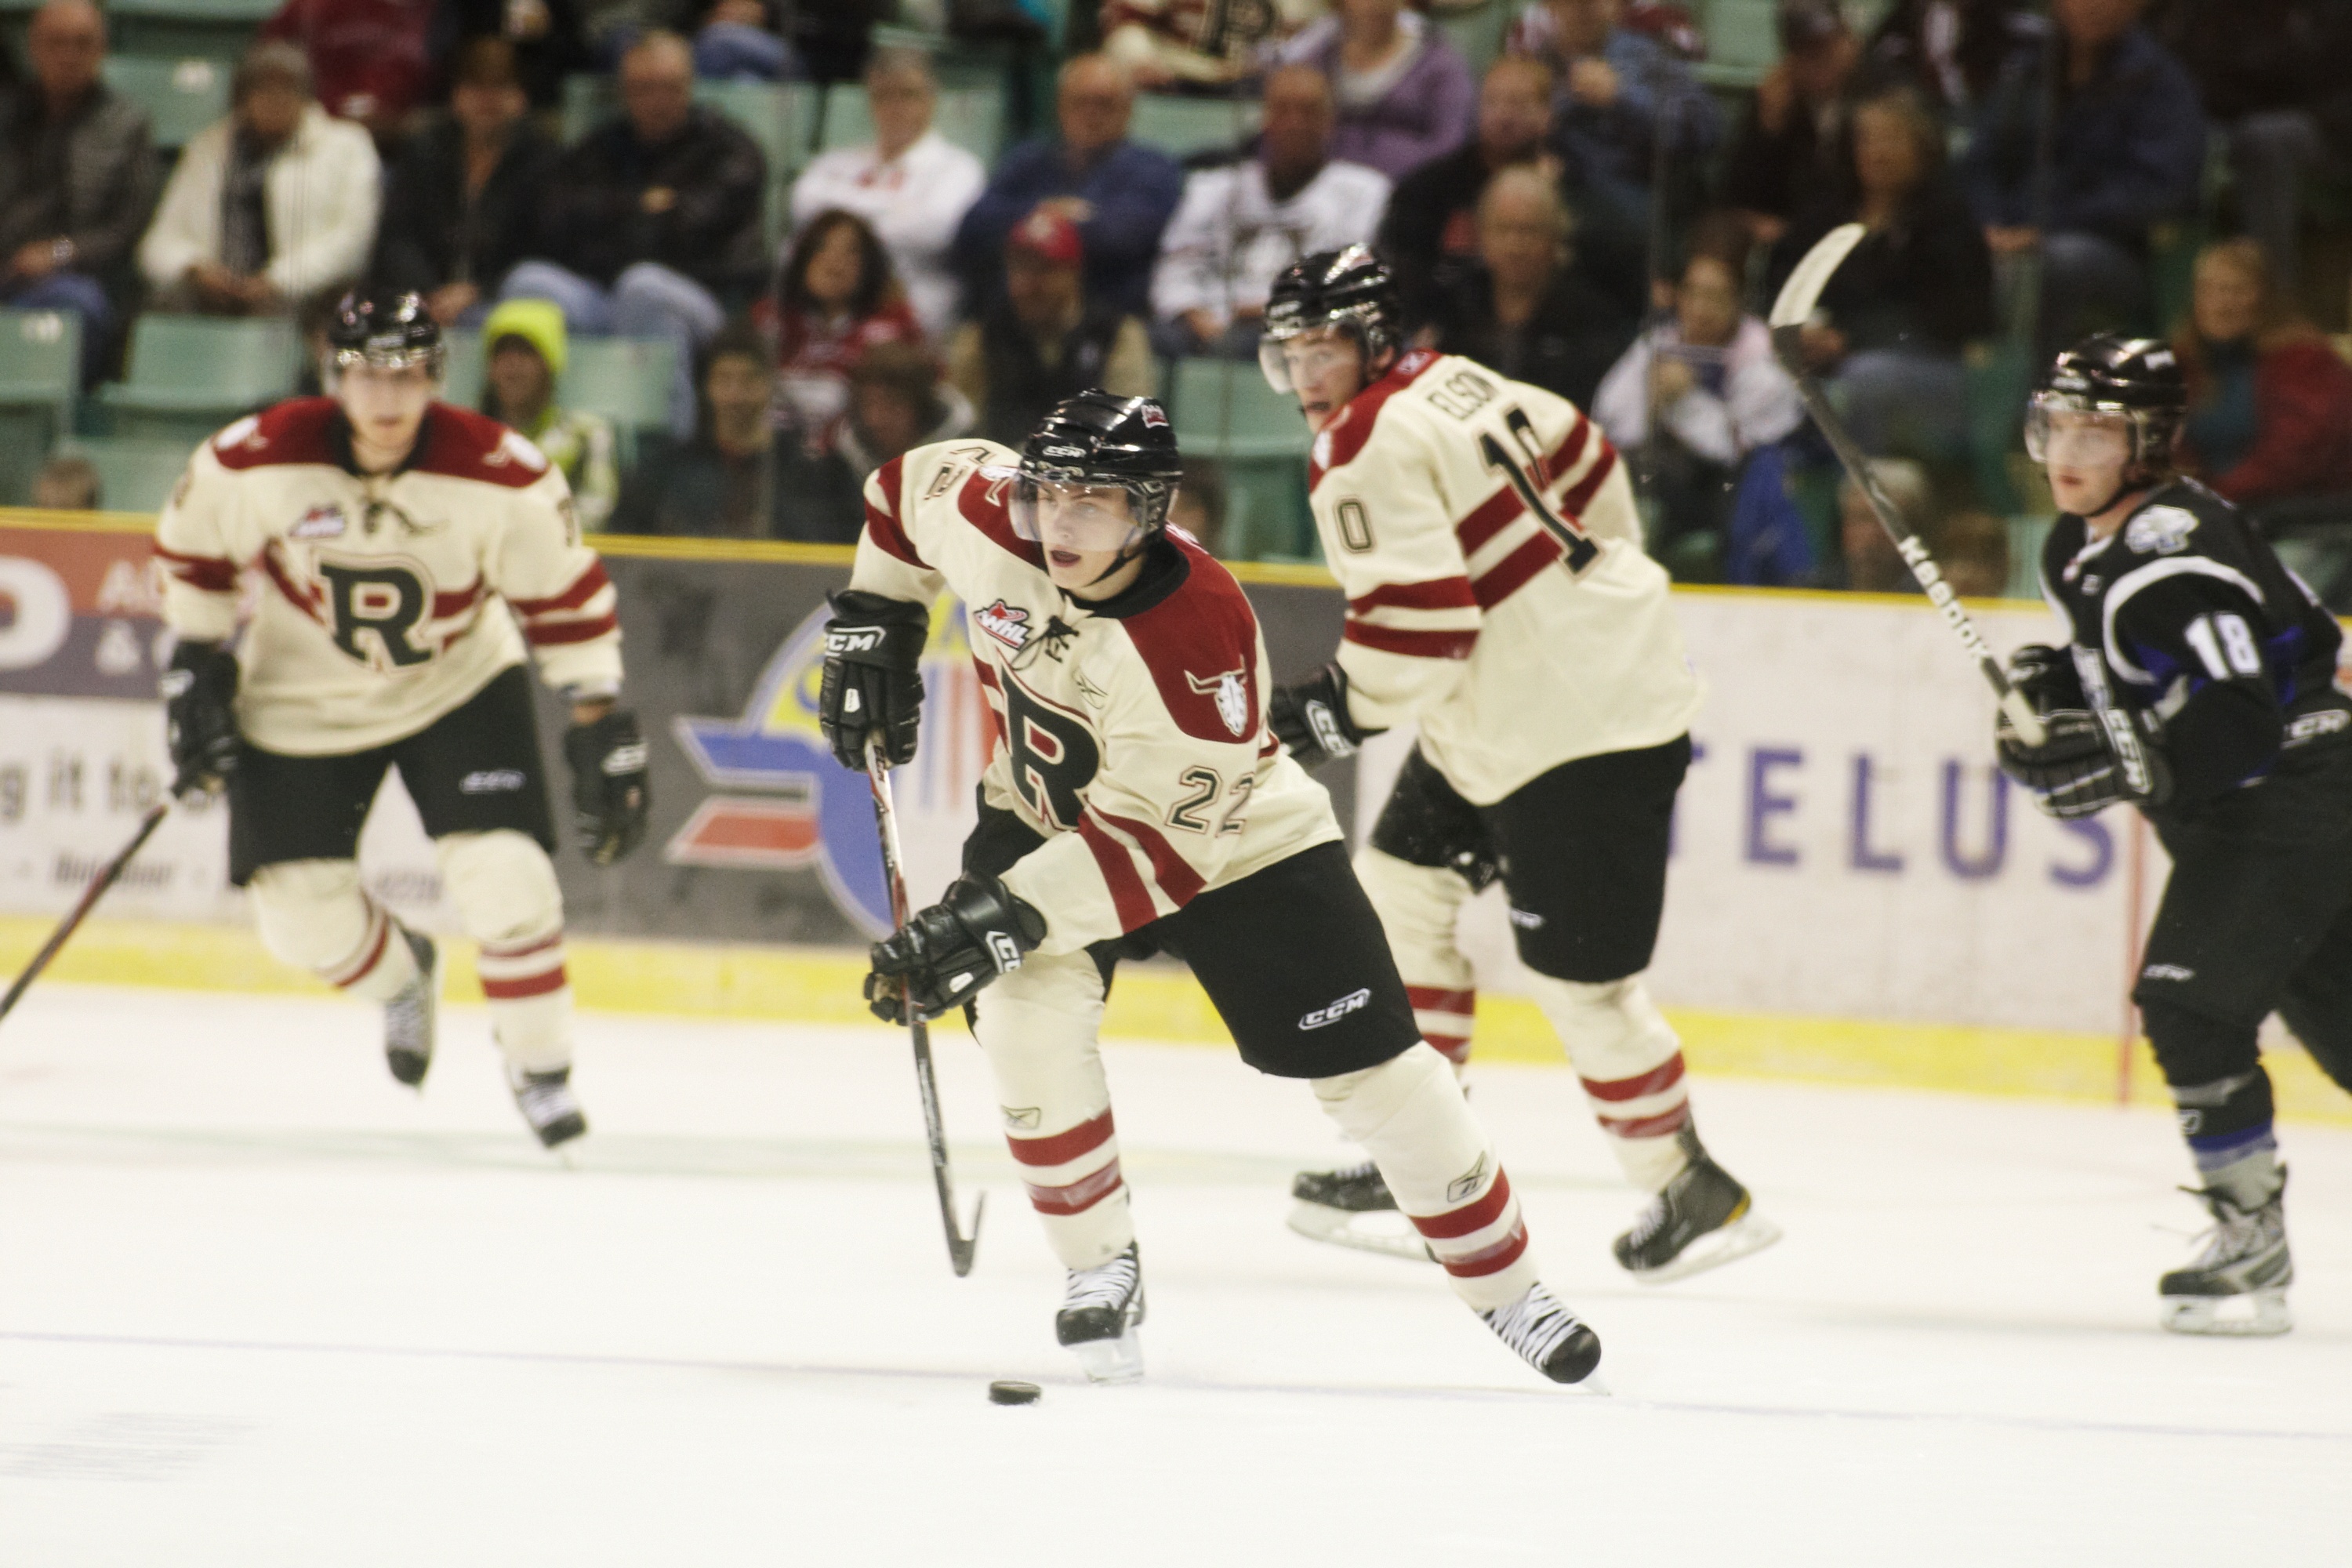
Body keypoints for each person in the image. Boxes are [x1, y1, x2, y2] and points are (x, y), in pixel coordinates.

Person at [819, 388, 1605, 1387]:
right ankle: (1098, 1266)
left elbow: (1156, 853)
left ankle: (1513, 1290)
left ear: (1149, 513)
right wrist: (877, 611)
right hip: (1044, 813)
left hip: (1235, 845)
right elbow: (897, 494)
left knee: (1378, 1072)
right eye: (1048, 493)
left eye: (1094, 502)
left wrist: (995, 915)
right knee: (1023, 1019)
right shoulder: (991, 513)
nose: (1059, 521)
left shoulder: (1196, 631)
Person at [1257, 247, 1776, 1281]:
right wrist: (1590, 599)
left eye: (1325, 349)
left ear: (1372, 341)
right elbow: (1589, 460)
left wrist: (1328, 714)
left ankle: (1687, 1188)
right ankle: (1428, 1162)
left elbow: (1421, 630)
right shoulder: (1456, 376)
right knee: (1400, 887)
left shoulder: (1358, 447)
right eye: (1291, 354)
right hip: (1512, 714)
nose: (1309, 376)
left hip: (1577, 733)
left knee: (1582, 983)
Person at [151, 292, 651, 1149]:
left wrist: (598, 717)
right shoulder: (255, 458)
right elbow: (193, 554)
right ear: (333, 374)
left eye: (408, 375)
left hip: (457, 682)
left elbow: (565, 596)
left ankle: (540, 1065)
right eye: (367, 375)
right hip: (298, 692)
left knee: (507, 875)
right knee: (298, 917)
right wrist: (195, 664)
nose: (387, 399)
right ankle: (403, 975)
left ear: (436, 377)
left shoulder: (503, 471)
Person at [1992, 333, 2352, 1335]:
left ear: (2147, 444)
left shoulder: (2170, 553)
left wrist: (2128, 761)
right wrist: (2062, 685)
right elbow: (2143, 672)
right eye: (2059, 422)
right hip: (2289, 795)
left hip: (2291, 789)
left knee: (2188, 1006)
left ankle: (2252, 1247)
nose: (2069, 447)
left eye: (2097, 429)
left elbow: (2237, 709)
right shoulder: (2087, 540)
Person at [502, 31, 767, 440]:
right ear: (624, 91)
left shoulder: (728, 147)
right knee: (530, 281)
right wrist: (640, 206)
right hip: (606, 292)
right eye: (642, 88)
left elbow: (685, 231)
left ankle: (661, 447)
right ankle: (556, 441)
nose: (655, 100)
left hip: (703, 302)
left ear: (689, 86)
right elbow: (556, 217)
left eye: (667, 87)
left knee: (643, 286)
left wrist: (610, 218)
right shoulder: (601, 147)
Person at [1959, 0, 2205, 354]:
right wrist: (1990, 221)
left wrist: (2045, 227)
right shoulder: (2028, 71)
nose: (2094, 6)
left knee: (2059, 263)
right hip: (2010, 234)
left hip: (2111, 250)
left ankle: (2033, 397)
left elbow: (2161, 190)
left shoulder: (2157, 81)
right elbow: (1981, 161)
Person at [1767, 85, 1995, 462]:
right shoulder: (1831, 211)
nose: (1876, 152)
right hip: (1826, 354)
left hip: (1926, 364)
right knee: (1761, 376)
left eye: (1891, 139)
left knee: (1864, 378)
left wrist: (1849, 340)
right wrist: (1802, 331)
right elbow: (1786, 273)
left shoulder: (1948, 219)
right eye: (1866, 140)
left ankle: (1862, 499)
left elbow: (1952, 317)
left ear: (1923, 148)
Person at [1378, 56, 1647, 332]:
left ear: (1548, 115)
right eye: (1493, 102)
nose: (1504, 116)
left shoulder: (1579, 192)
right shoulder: (1428, 189)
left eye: (1519, 104)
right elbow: (1401, 272)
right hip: (1451, 329)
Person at [1149, 65, 1390, 360]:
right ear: (1266, 117)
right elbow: (1176, 267)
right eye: (1283, 110)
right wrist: (1191, 313)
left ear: (1330, 120)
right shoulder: (1215, 186)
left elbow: (1344, 283)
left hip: (1299, 330)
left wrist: (1270, 312)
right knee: (1146, 340)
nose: (1294, 122)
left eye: (1308, 111)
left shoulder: (1363, 191)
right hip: (1207, 323)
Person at [1593, 245, 1805, 578]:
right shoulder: (1658, 343)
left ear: (1739, 301)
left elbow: (1734, 450)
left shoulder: (1761, 355)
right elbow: (1611, 419)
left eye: (1715, 296)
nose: (1701, 308)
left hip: (1725, 493)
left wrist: (1685, 400)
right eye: (1693, 294)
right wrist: (1651, 400)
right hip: (1659, 476)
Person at [138, 42, 382, 318]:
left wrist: (277, 281)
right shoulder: (208, 148)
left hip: (303, 296)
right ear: (242, 97)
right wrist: (195, 269)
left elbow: (351, 242)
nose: (275, 99)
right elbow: (159, 242)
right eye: (263, 88)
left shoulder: (347, 146)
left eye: (287, 88)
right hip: (213, 292)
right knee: (164, 302)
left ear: (307, 95)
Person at [952, 54, 1185, 321]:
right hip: (1010, 322)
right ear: (1060, 106)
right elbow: (973, 227)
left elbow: (1119, 238)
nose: (1091, 114)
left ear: (1128, 109)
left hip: (1104, 321)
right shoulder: (1028, 159)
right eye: (1080, 102)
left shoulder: (1154, 168)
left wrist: (1029, 227)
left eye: (1104, 104)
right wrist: (1045, 210)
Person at [0, 1, 157, 376]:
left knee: (78, 302)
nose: (68, 56)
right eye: (56, 43)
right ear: (34, 48)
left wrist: (59, 253)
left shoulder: (126, 124)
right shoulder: (6, 117)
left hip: (77, 281)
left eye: (82, 43)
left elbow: (128, 227)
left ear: (102, 50)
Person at [788, 48, 985, 339]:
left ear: (931, 99)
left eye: (908, 95)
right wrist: (895, 208)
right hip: (824, 311)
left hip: (912, 311)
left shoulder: (957, 167)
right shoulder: (838, 162)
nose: (896, 107)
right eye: (883, 96)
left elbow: (935, 229)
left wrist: (844, 213)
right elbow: (802, 207)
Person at [370, 38, 557, 326]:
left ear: (521, 98)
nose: (487, 101)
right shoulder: (425, 151)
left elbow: (542, 246)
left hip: (503, 303)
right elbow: (398, 237)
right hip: (422, 296)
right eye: (476, 89)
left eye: (499, 88)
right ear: (456, 96)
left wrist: (479, 291)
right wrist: (431, 292)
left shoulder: (544, 160)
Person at [617, 321, 864, 540]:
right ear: (706, 387)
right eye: (724, 380)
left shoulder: (813, 474)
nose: (735, 396)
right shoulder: (665, 472)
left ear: (770, 384)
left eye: (749, 380)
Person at [1420, 164, 1635, 411]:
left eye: (1529, 230)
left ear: (1556, 237)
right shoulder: (1452, 304)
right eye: (1503, 229)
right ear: (1482, 235)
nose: (1515, 245)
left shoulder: (1592, 320)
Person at [949, 207, 1153, 448]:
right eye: (1017, 269)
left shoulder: (1116, 334)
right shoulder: (982, 336)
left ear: (1072, 273)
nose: (1025, 286)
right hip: (999, 473)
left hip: (1085, 474)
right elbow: (960, 424)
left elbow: (1126, 428)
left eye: (1041, 271)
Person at [2174, 238, 2352, 511]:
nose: (2222, 304)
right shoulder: (2184, 359)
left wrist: (2217, 498)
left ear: (2266, 298)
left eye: (2236, 291)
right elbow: (2172, 445)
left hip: (2299, 512)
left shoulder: (2306, 360)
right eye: (2209, 290)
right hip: (2215, 509)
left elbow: (2295, 456)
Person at [1504, 0, 1720, 201]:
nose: (1583, 9)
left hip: (1635, 198)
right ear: (1549, 5)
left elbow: (1704, 131)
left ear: (1617, 6)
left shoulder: (1649, 56)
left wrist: (1623, 98)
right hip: (1552, 195)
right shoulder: (1533, 64)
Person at [1276, 0, 1475, 182]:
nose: (1375, 4)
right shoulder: (1316, 57)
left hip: (1408, 191)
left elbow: (1452, 145)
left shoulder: (1440, 64)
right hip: (1321, 192)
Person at [771, 209, 924, 444]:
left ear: (869, 265)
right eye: (822, 248)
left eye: (850, 252)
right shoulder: (771, 321)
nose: (834, 261)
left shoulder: (892, 327)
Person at [1719, 0, 1864, 250]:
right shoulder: (1777, 101)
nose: (1813, 60)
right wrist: (1769, 130)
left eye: (1822, 46)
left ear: (1846, 40)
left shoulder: (1877, 96)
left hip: (1853, 237)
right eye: (1801, 49)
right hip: (1787, 242)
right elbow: (1738, 197)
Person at [477, 298, 620, 532]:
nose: (511, 367)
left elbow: (595, 510)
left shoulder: (587, 434)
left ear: (550, 363)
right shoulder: (470, 438)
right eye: (501, 354)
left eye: (525, 353)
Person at [259, 0, 438, 144]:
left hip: (411, 148)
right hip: (321, 145)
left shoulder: (437, 13)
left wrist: (400, 125)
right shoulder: (309, 8)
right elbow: (267, 73)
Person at [1098, 0, 1321, 88]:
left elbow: (1321, 35)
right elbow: (1124, 25)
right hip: (1173, 86)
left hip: (1267, 89)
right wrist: (1138, 59)